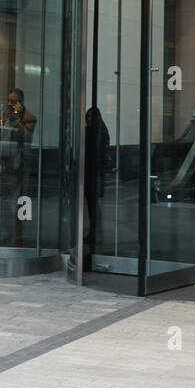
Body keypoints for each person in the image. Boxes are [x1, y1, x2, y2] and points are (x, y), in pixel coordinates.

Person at [0, 87, 37, 247]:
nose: (10, 104)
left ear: (20, 102)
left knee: (20, 201)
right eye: (9, 101)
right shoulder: (4, 116)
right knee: (3, 200)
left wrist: (17, 117)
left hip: (20, 164)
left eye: (13, 101)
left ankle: (19, 235)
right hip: (4, 163)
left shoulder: (29, 117)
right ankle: (10, 231)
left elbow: (24, 135)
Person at [82, 107, 109, 270]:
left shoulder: (101, 133)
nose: (89, 120)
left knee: (93, 204)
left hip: (95, 172)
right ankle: (92, 232)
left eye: (92, 117)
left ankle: (95, 232)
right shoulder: (87, 131)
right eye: (88, 117)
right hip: (87, 172)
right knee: (90, 204)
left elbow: (101, 155)